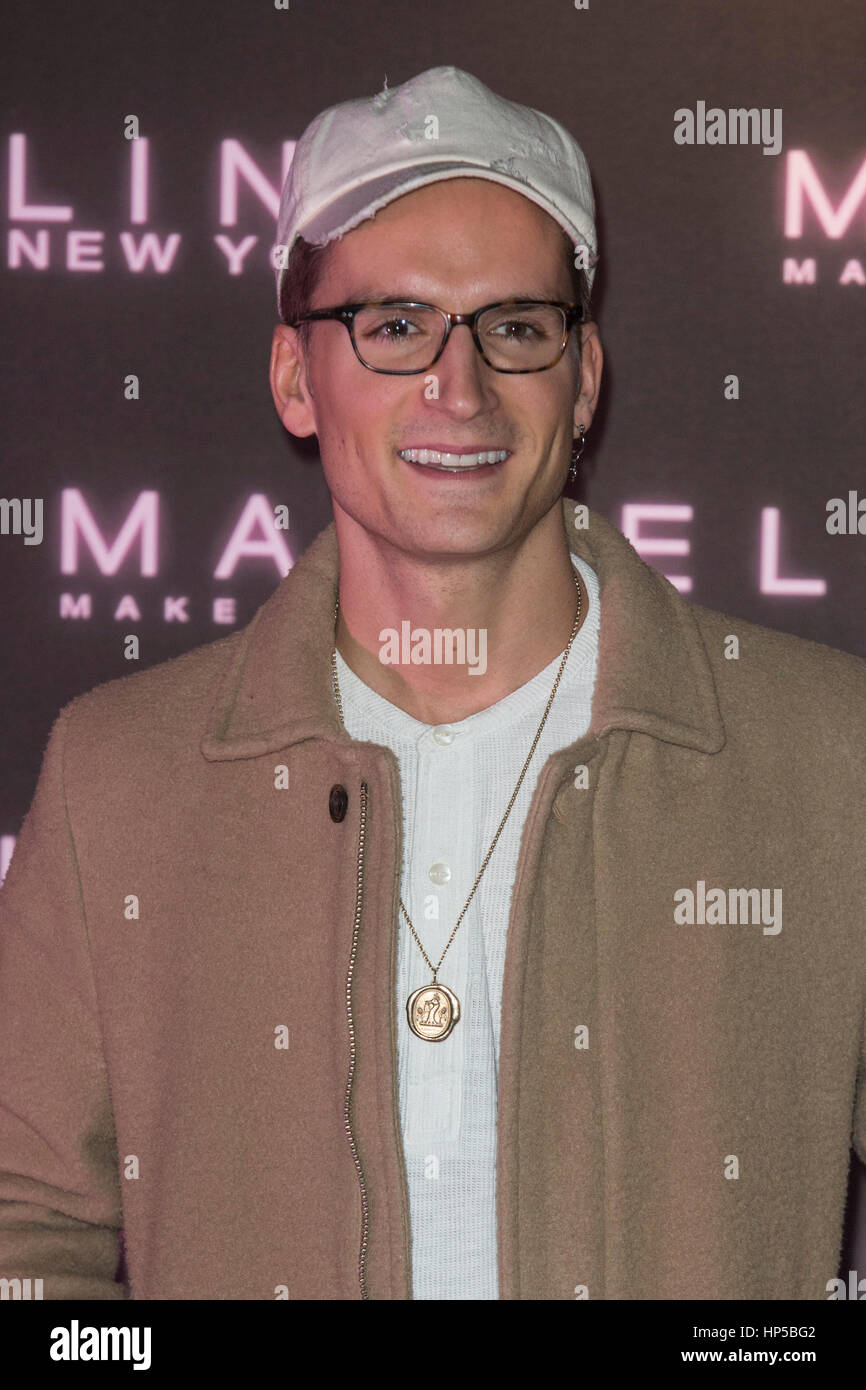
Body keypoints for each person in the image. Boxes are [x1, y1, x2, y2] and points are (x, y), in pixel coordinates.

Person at [0, 65, 864, 1303]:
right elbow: (23, 1226)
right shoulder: (117, 773)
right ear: (297, 378)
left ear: (584, 382)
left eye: (514, 326)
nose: (457, 390)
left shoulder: (829, 756)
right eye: (394, 325)